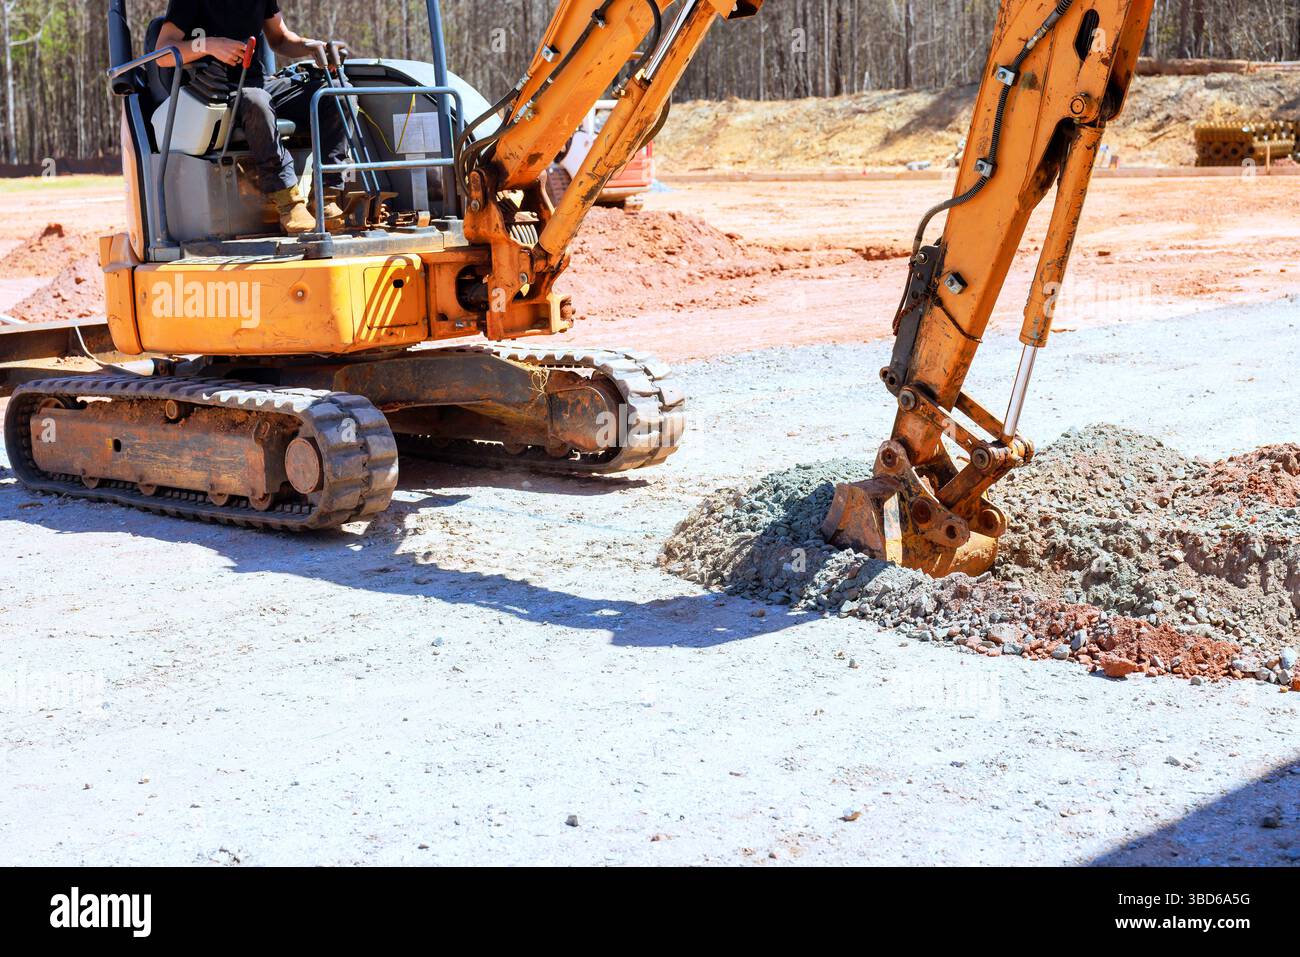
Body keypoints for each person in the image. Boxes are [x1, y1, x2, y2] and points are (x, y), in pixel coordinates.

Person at [155, 1, 348, 234]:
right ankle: (288, 201)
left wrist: (312, 46)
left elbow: (280, 38)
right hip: (212, 89)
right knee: (257, 102)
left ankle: (326, 196)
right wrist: (210, 45)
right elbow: (163, 53)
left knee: (337, 93)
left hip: (259, 81)